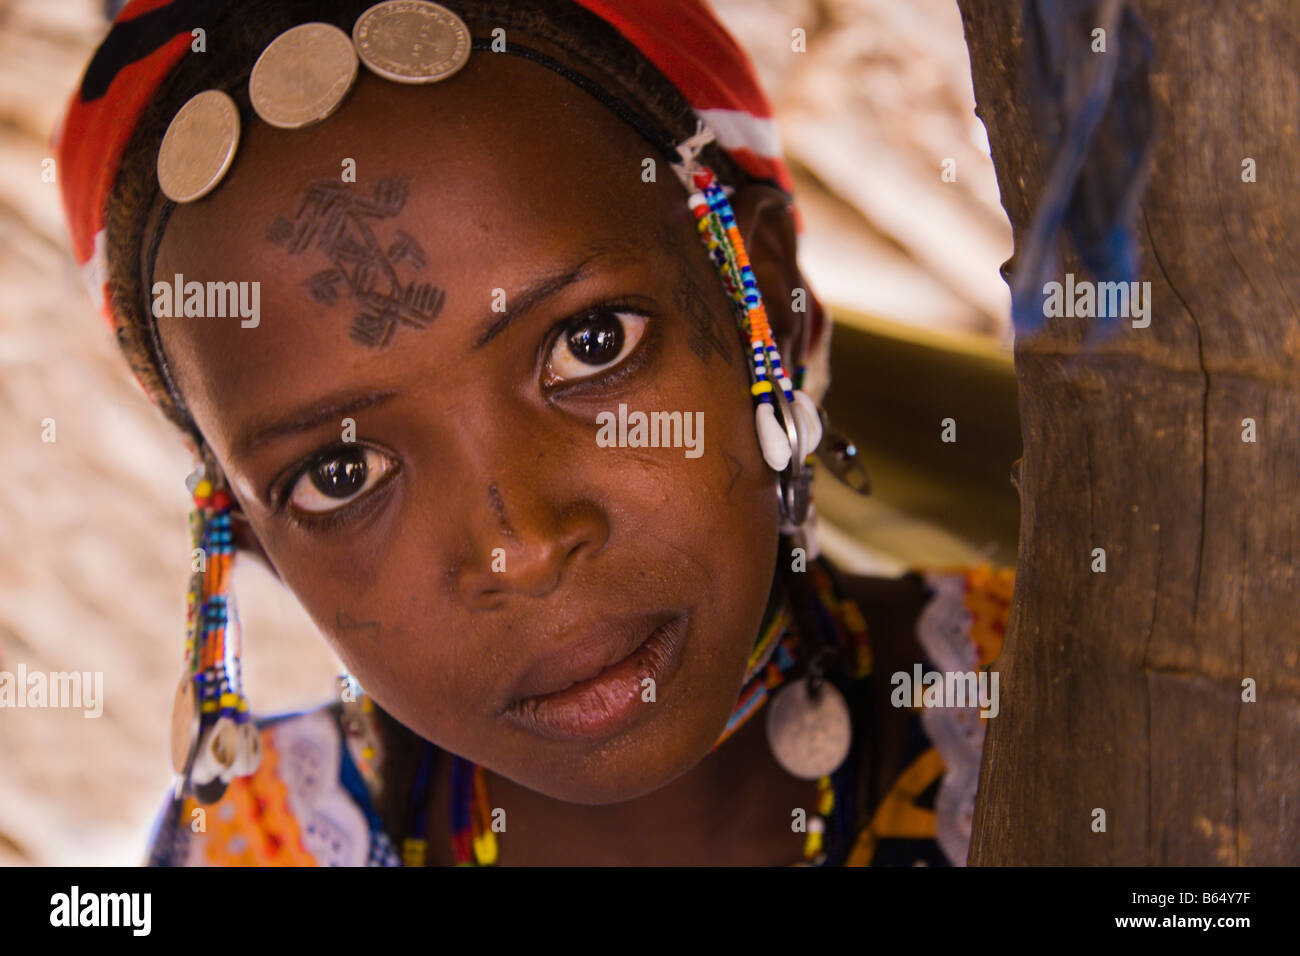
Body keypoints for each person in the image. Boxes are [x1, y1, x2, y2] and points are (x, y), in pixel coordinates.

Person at [56, 0, 1014, 866]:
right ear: (253, 539)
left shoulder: (1082, 689)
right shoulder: (250, 852)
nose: (519, 547)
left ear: (761, 298)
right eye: (340, 471)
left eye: (591, 345)